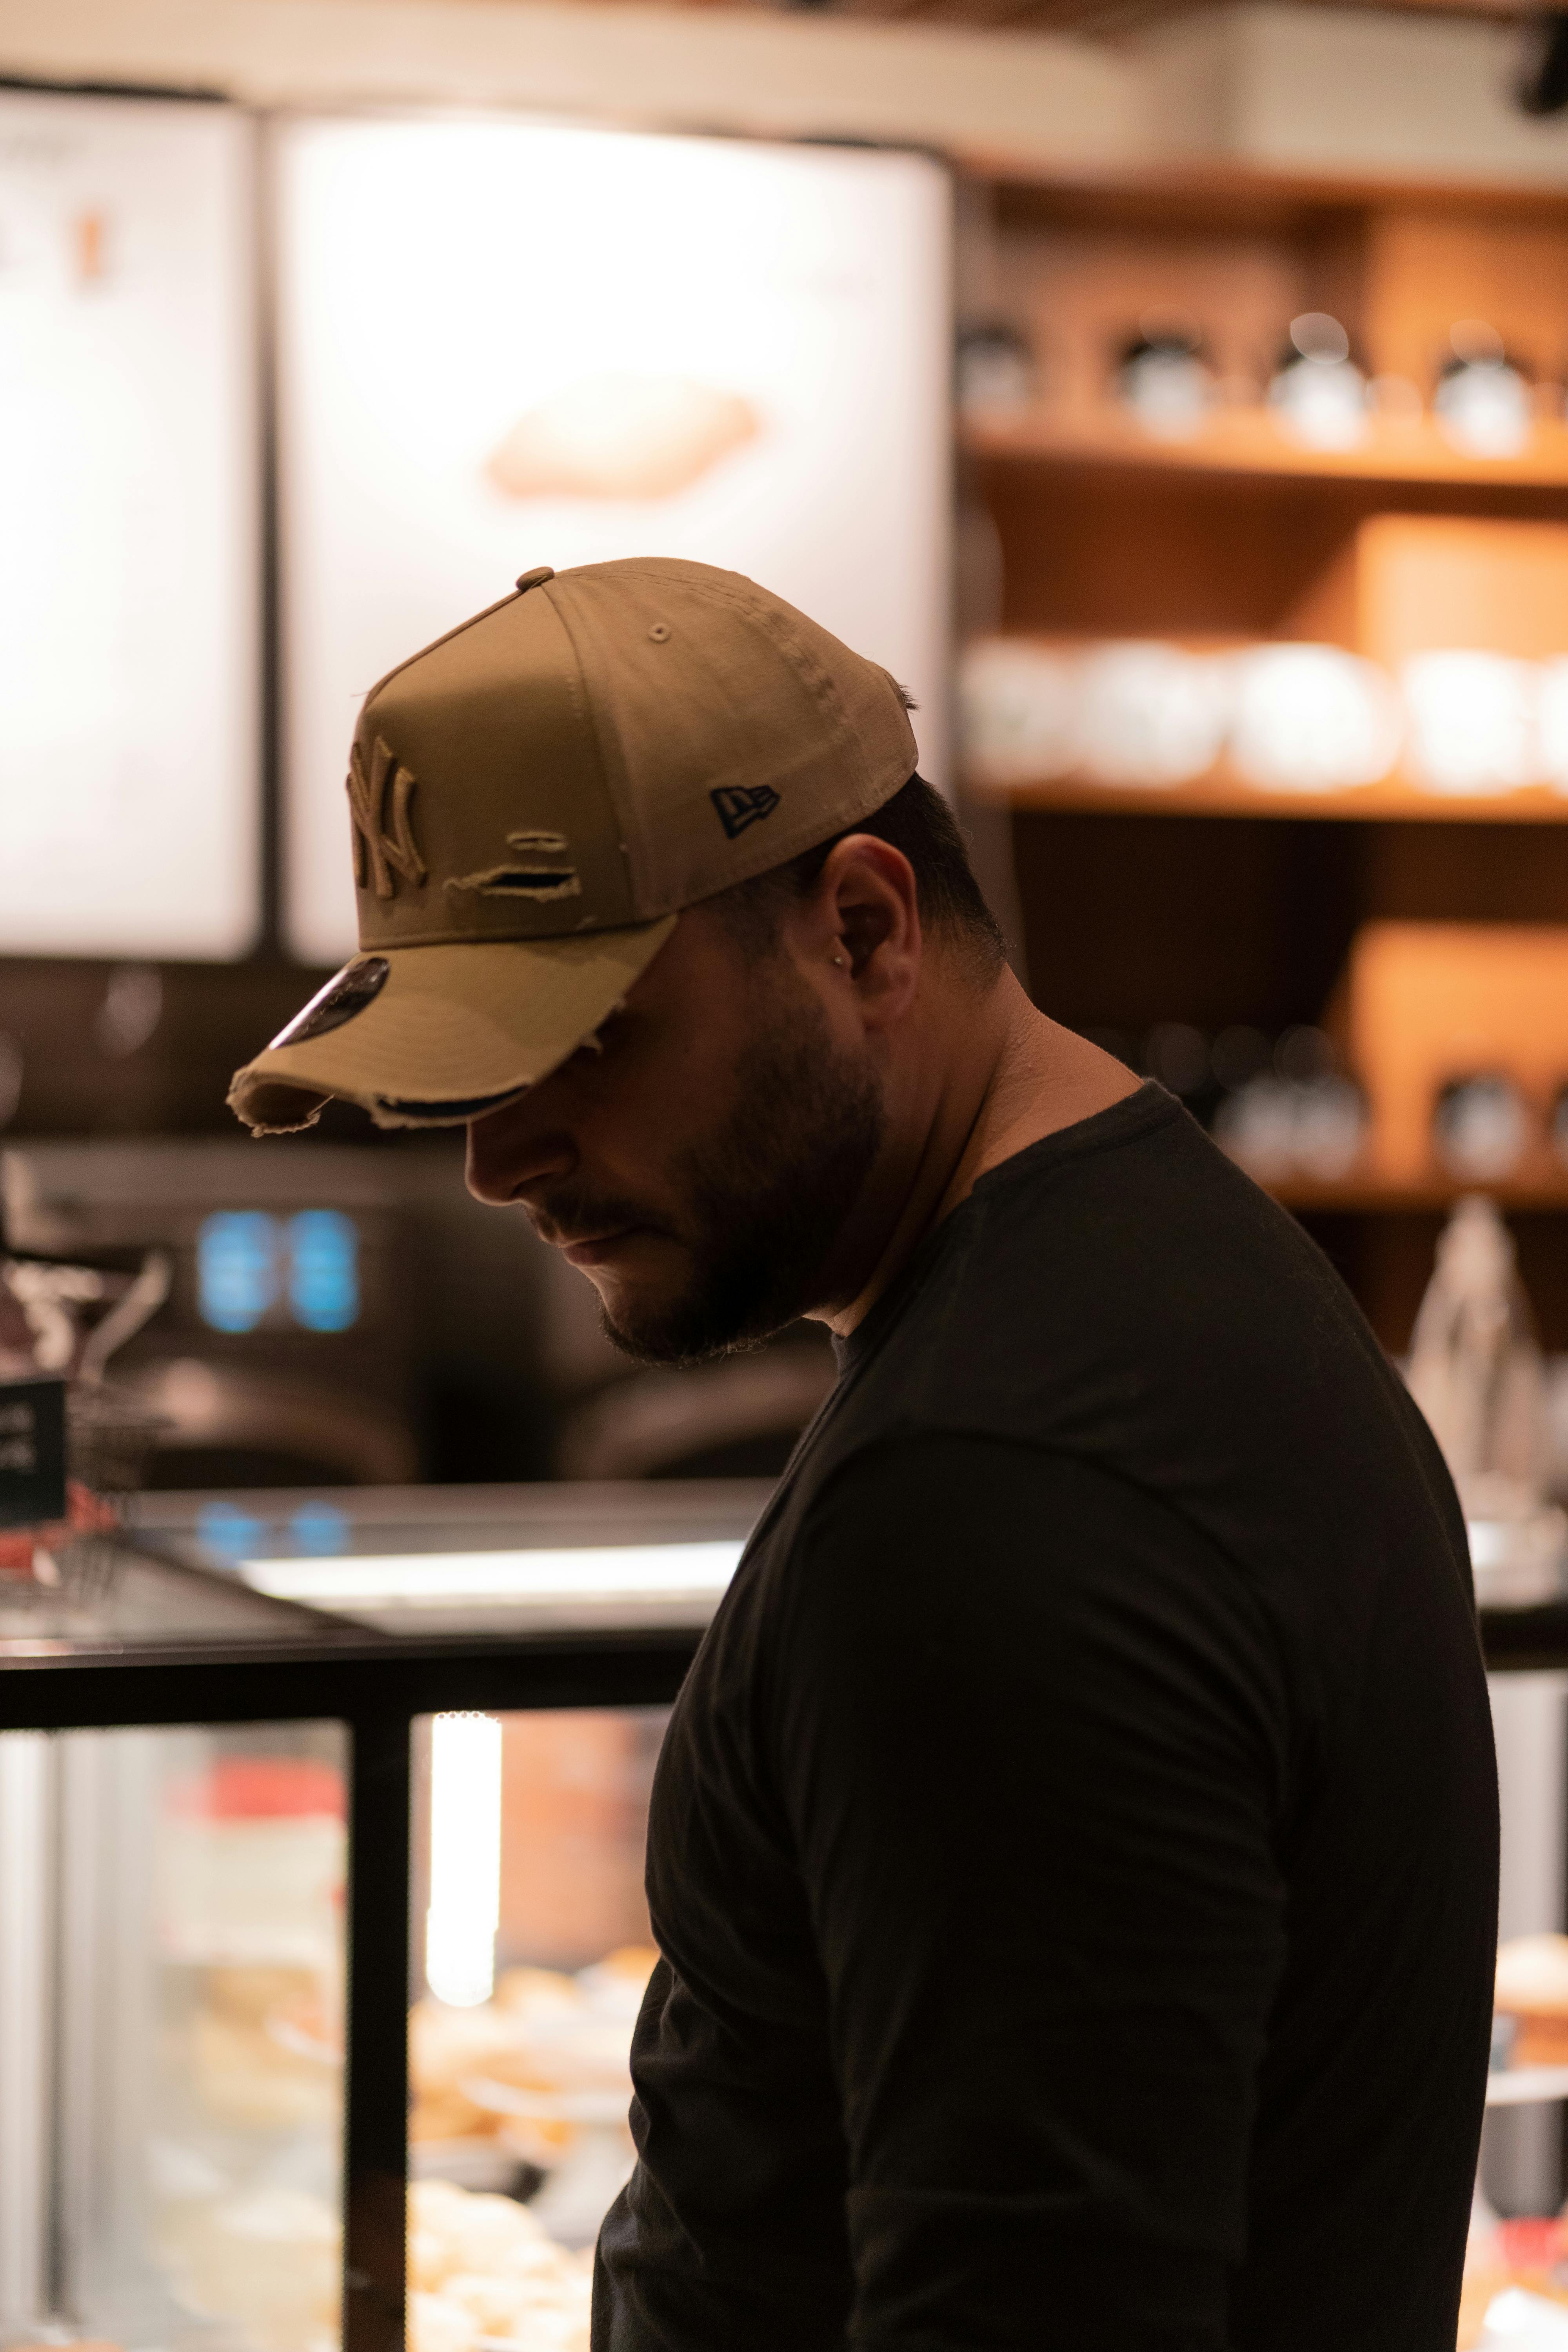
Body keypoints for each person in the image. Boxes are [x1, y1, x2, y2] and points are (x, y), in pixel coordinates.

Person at [231, 557, 1499, 2351]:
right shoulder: (1143, 1285)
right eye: (468, 1075)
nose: (496, 1159)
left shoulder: (997, 1491)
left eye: (587, 1037)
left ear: (865, 929)